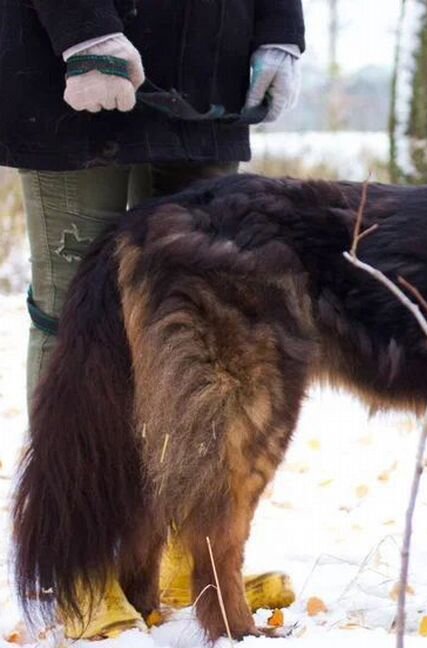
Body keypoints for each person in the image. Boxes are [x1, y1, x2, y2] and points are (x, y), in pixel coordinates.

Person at [0, 0, 304, 637]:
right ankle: (80, 567)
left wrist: (280, 32)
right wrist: (83, 31)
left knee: (201, 325)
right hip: (70, 68)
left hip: (209, 67)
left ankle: (182, 554)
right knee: (74, 315)